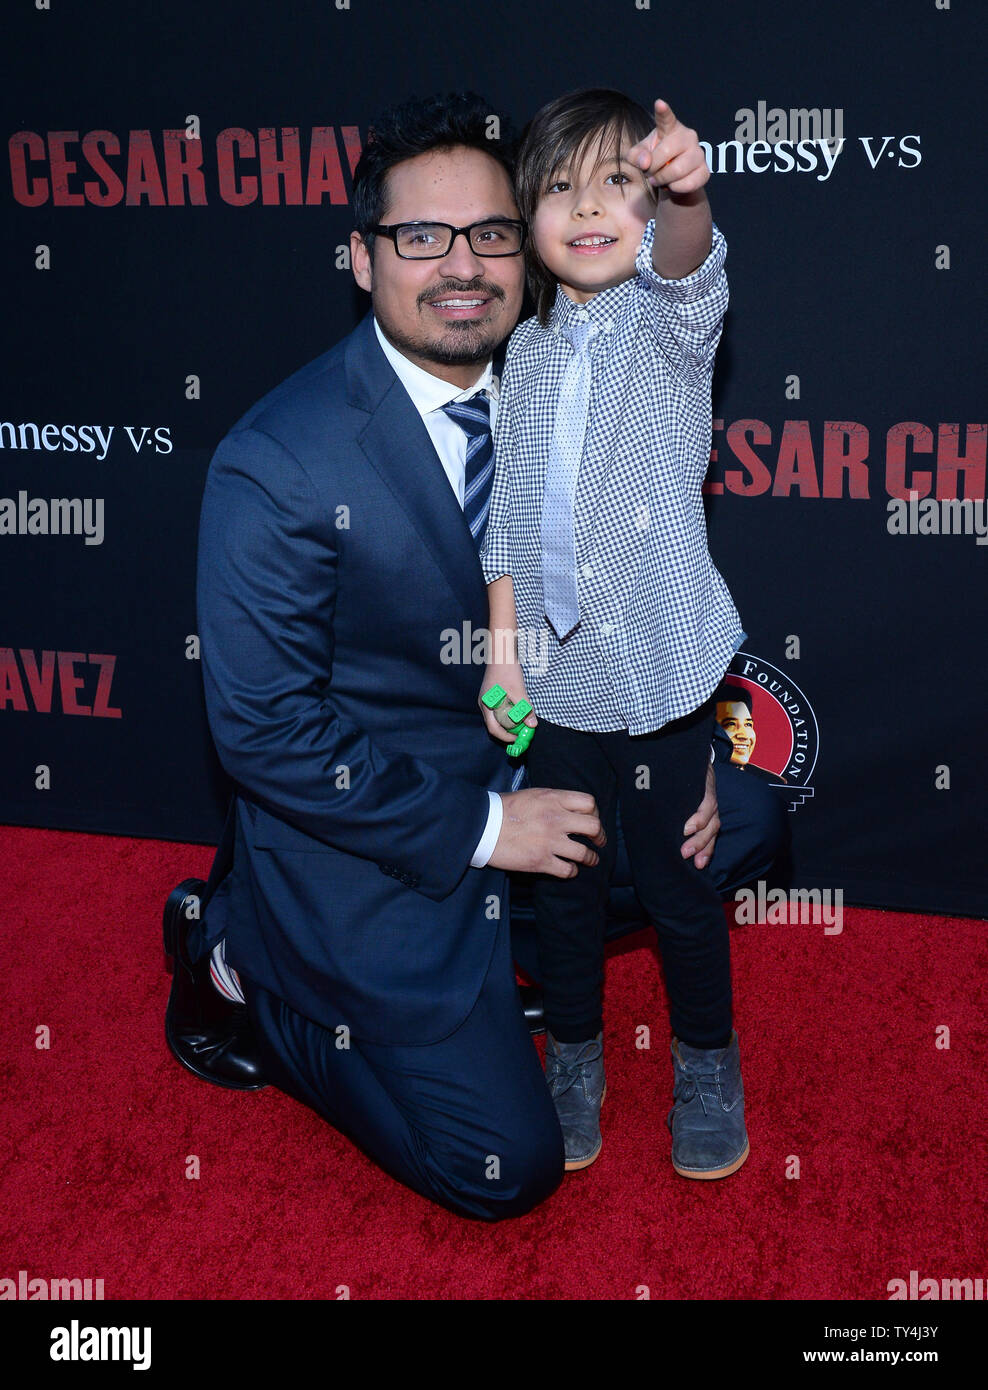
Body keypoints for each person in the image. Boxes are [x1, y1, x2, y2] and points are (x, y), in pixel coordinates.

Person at [166, 91, 727, 1223]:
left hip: (545, 738)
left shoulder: (561, 364)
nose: (460, 264)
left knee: (733, 823)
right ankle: (236, 959)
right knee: (502, 1170)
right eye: (421, 236)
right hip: (382, 818)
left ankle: (528, 962)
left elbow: (683, 283)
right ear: (363, 258)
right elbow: (264, 731)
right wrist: (483, 829)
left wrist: (688, 194)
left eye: (490, 233)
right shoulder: (276, 461)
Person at [479, 89, 749, 1179]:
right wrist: (502, 651)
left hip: (667, 676)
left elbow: (689, 260)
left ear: (644, 205)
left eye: (616, 183)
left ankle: (707, 1061)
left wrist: (689, 191)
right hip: (558, 683)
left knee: (682, 886)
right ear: (527, 216)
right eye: (557, 186)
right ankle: (574, 1060)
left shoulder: (667, 326)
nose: (586, 207)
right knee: (565, 896)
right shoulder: (521, 353)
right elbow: (504, 518)